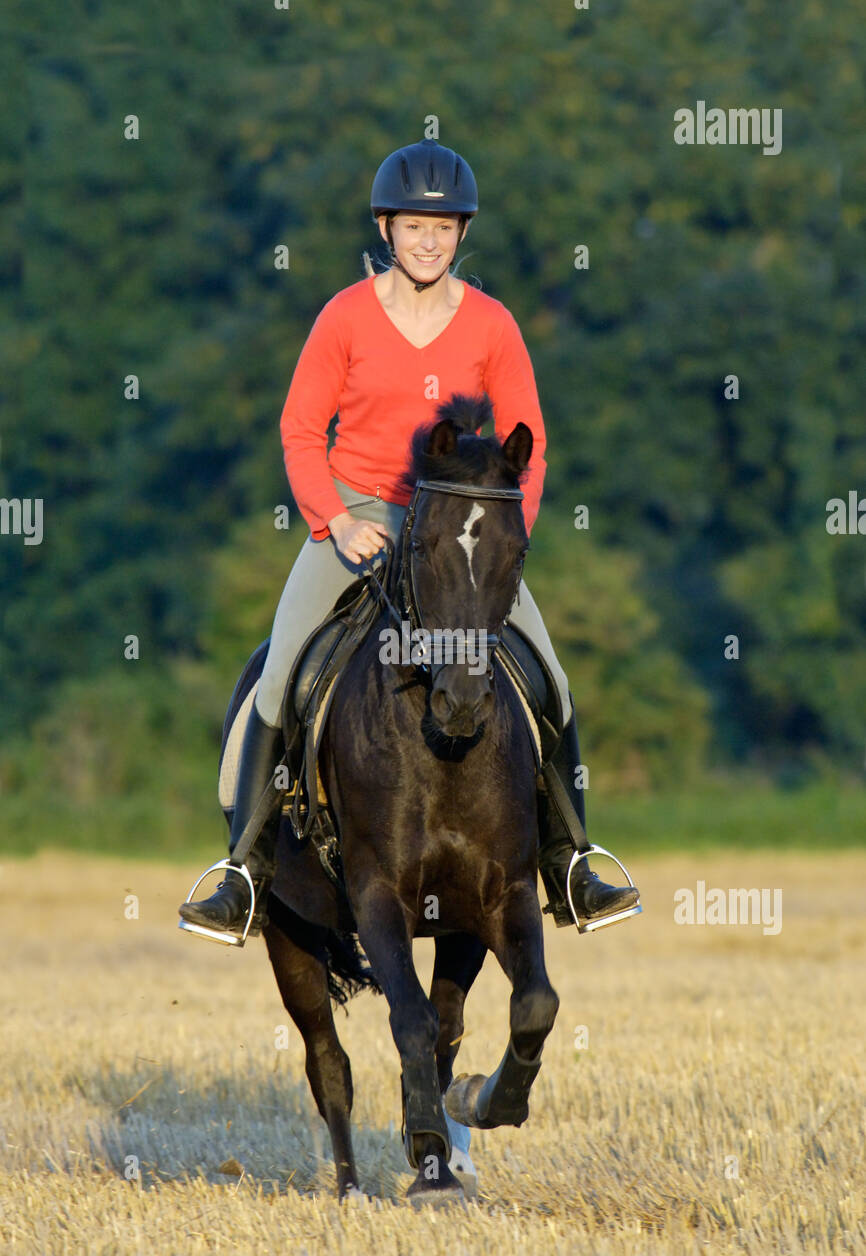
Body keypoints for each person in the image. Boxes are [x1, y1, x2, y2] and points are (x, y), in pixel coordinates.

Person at [179, 136, 640, 936]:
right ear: (386, 229)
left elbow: (531, 443)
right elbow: (298, 432)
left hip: (460, 532)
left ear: (462, 234)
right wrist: (336, 520)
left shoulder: (493, 326)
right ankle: (242, 872)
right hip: (356, 511)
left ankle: (571, 863)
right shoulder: (344, 317)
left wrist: (506, 544)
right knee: (282, 671)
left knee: (553, 684)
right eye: (413, 227)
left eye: (444, 228)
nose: (428, 242)